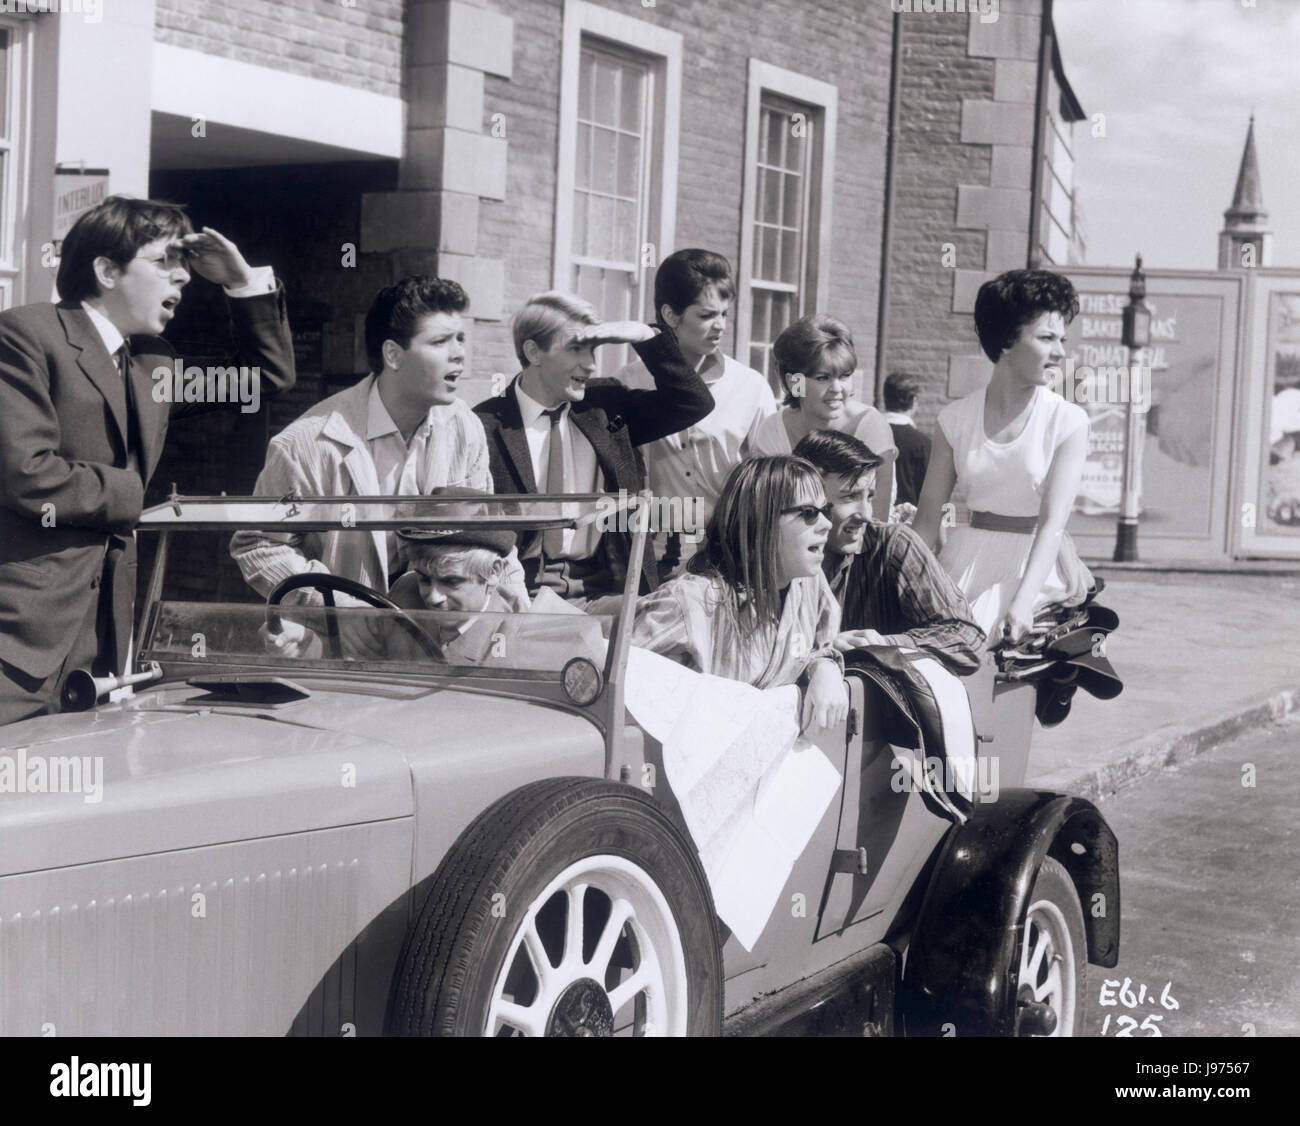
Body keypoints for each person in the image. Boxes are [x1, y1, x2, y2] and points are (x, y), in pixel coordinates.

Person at [0, 195, 295, 726]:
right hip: (18, 642)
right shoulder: (26, 334)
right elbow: (27, 473)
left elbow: (265, 378)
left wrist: (241, 281)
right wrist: (138, 497)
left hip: (104, 645)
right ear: (107, 270)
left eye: (184, 266)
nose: (181, 278)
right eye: (164, 262)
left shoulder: (153, 364)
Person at [231, 276, 525, 608]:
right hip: (337, 641)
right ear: (393, 355)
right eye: (441, 341)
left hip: (433, 633)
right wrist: (336, 608)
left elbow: (484, 532)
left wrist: (515, 601)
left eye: (460, 339)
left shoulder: (465, 426)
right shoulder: (305, 443)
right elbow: (258, 546)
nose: (459, 355)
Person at [474, 291, 713, 607]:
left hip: (605, 594)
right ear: (533, 352)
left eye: (593, 350)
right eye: (576, 349)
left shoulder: (605, 407)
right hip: (518, 600)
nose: (590, 364)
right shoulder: (484, 425)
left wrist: (646, 336)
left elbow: (692, 402)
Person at [912, 268, 1091, 644]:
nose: (1060, 351)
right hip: (966, 560)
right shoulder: (955, 419)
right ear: (1007, 339)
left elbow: (1053, 523)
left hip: (1036, 571)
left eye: (1063, 338)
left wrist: (1024, 600)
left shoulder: (1067, 421)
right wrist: (899, 579)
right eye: (1046, 338)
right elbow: (927, 522)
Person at [631, 456, 847, 733]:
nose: (826, 524)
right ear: (760, 522)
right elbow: (621, 680)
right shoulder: (688, 604)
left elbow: (818, 647)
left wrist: (825, 669)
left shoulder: (810, 586)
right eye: (808, 513)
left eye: (825, 510)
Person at [270, 489, 602, 666]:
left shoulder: (531, 638)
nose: (433, 597)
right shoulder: (405, 596)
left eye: (452, 582)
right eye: (426, 578)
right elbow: (355, 653)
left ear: (495, 574)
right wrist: (304, 641)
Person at [611, 249, 776, 578]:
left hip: (726, 560)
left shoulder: (752, 388)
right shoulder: (629, 382)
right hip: (646, 560)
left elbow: (771, 486)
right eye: (706, 315)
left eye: (724, 314)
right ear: (670, 315)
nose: (720, 326)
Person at [791, 429, 984, 676]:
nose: (866, 515)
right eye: (849, 496)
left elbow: (967, 639)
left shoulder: (894, 545)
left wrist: (886, 644)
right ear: (806, 498)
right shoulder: (776, 555)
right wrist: (822, 648)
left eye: (869, 497)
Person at [748, 314, 896, 522]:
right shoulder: (772, 430)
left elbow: (875, 521)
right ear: (794, 384)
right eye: (822, 378)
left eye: (844, 376)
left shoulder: (870, 426)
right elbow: (766, 515)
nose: (837, 389)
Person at [882, 371, 932, 508]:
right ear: (914, 401)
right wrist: (946, 525)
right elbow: (930, 494)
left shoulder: (868, 432)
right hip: (907, 523)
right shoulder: (922, 443)